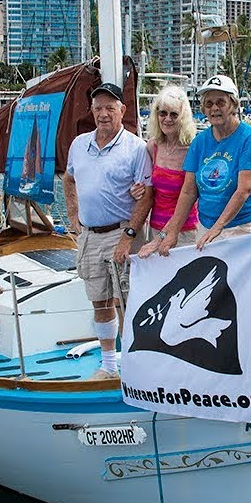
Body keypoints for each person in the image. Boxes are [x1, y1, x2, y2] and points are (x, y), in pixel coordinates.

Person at [62, 81, 154, 380]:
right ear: (92, 110)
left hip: (121, 233)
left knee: (128, 302)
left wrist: (129, 236)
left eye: (110, 108)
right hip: (89, 235)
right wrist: (73, 216)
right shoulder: (79, 144)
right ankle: (109, 366)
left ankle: (134, 366)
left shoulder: (136, 148)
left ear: (122, 111)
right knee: (99, 301)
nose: (104, 114)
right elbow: (69, 179)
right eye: (98, 108)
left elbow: (147, 195)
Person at [138, 73, 251, 257]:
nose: (214, 108)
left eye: (221, 102)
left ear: (233, 104)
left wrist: (218, 228)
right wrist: (170, 234)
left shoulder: (248, 137)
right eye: (209, 103)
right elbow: (188, 191)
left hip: (240, 227)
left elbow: (245, 189)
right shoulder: (200, 142)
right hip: (205, 227)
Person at [132, 86, 200, 246]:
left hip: (186, 231)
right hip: (155, 228)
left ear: (183, 117)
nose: (167, 119)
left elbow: (193, 194)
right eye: (162, 113)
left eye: (174, 114)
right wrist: (135, 190)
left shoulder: (192, 149)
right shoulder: (152, 147)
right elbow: (147, 187)